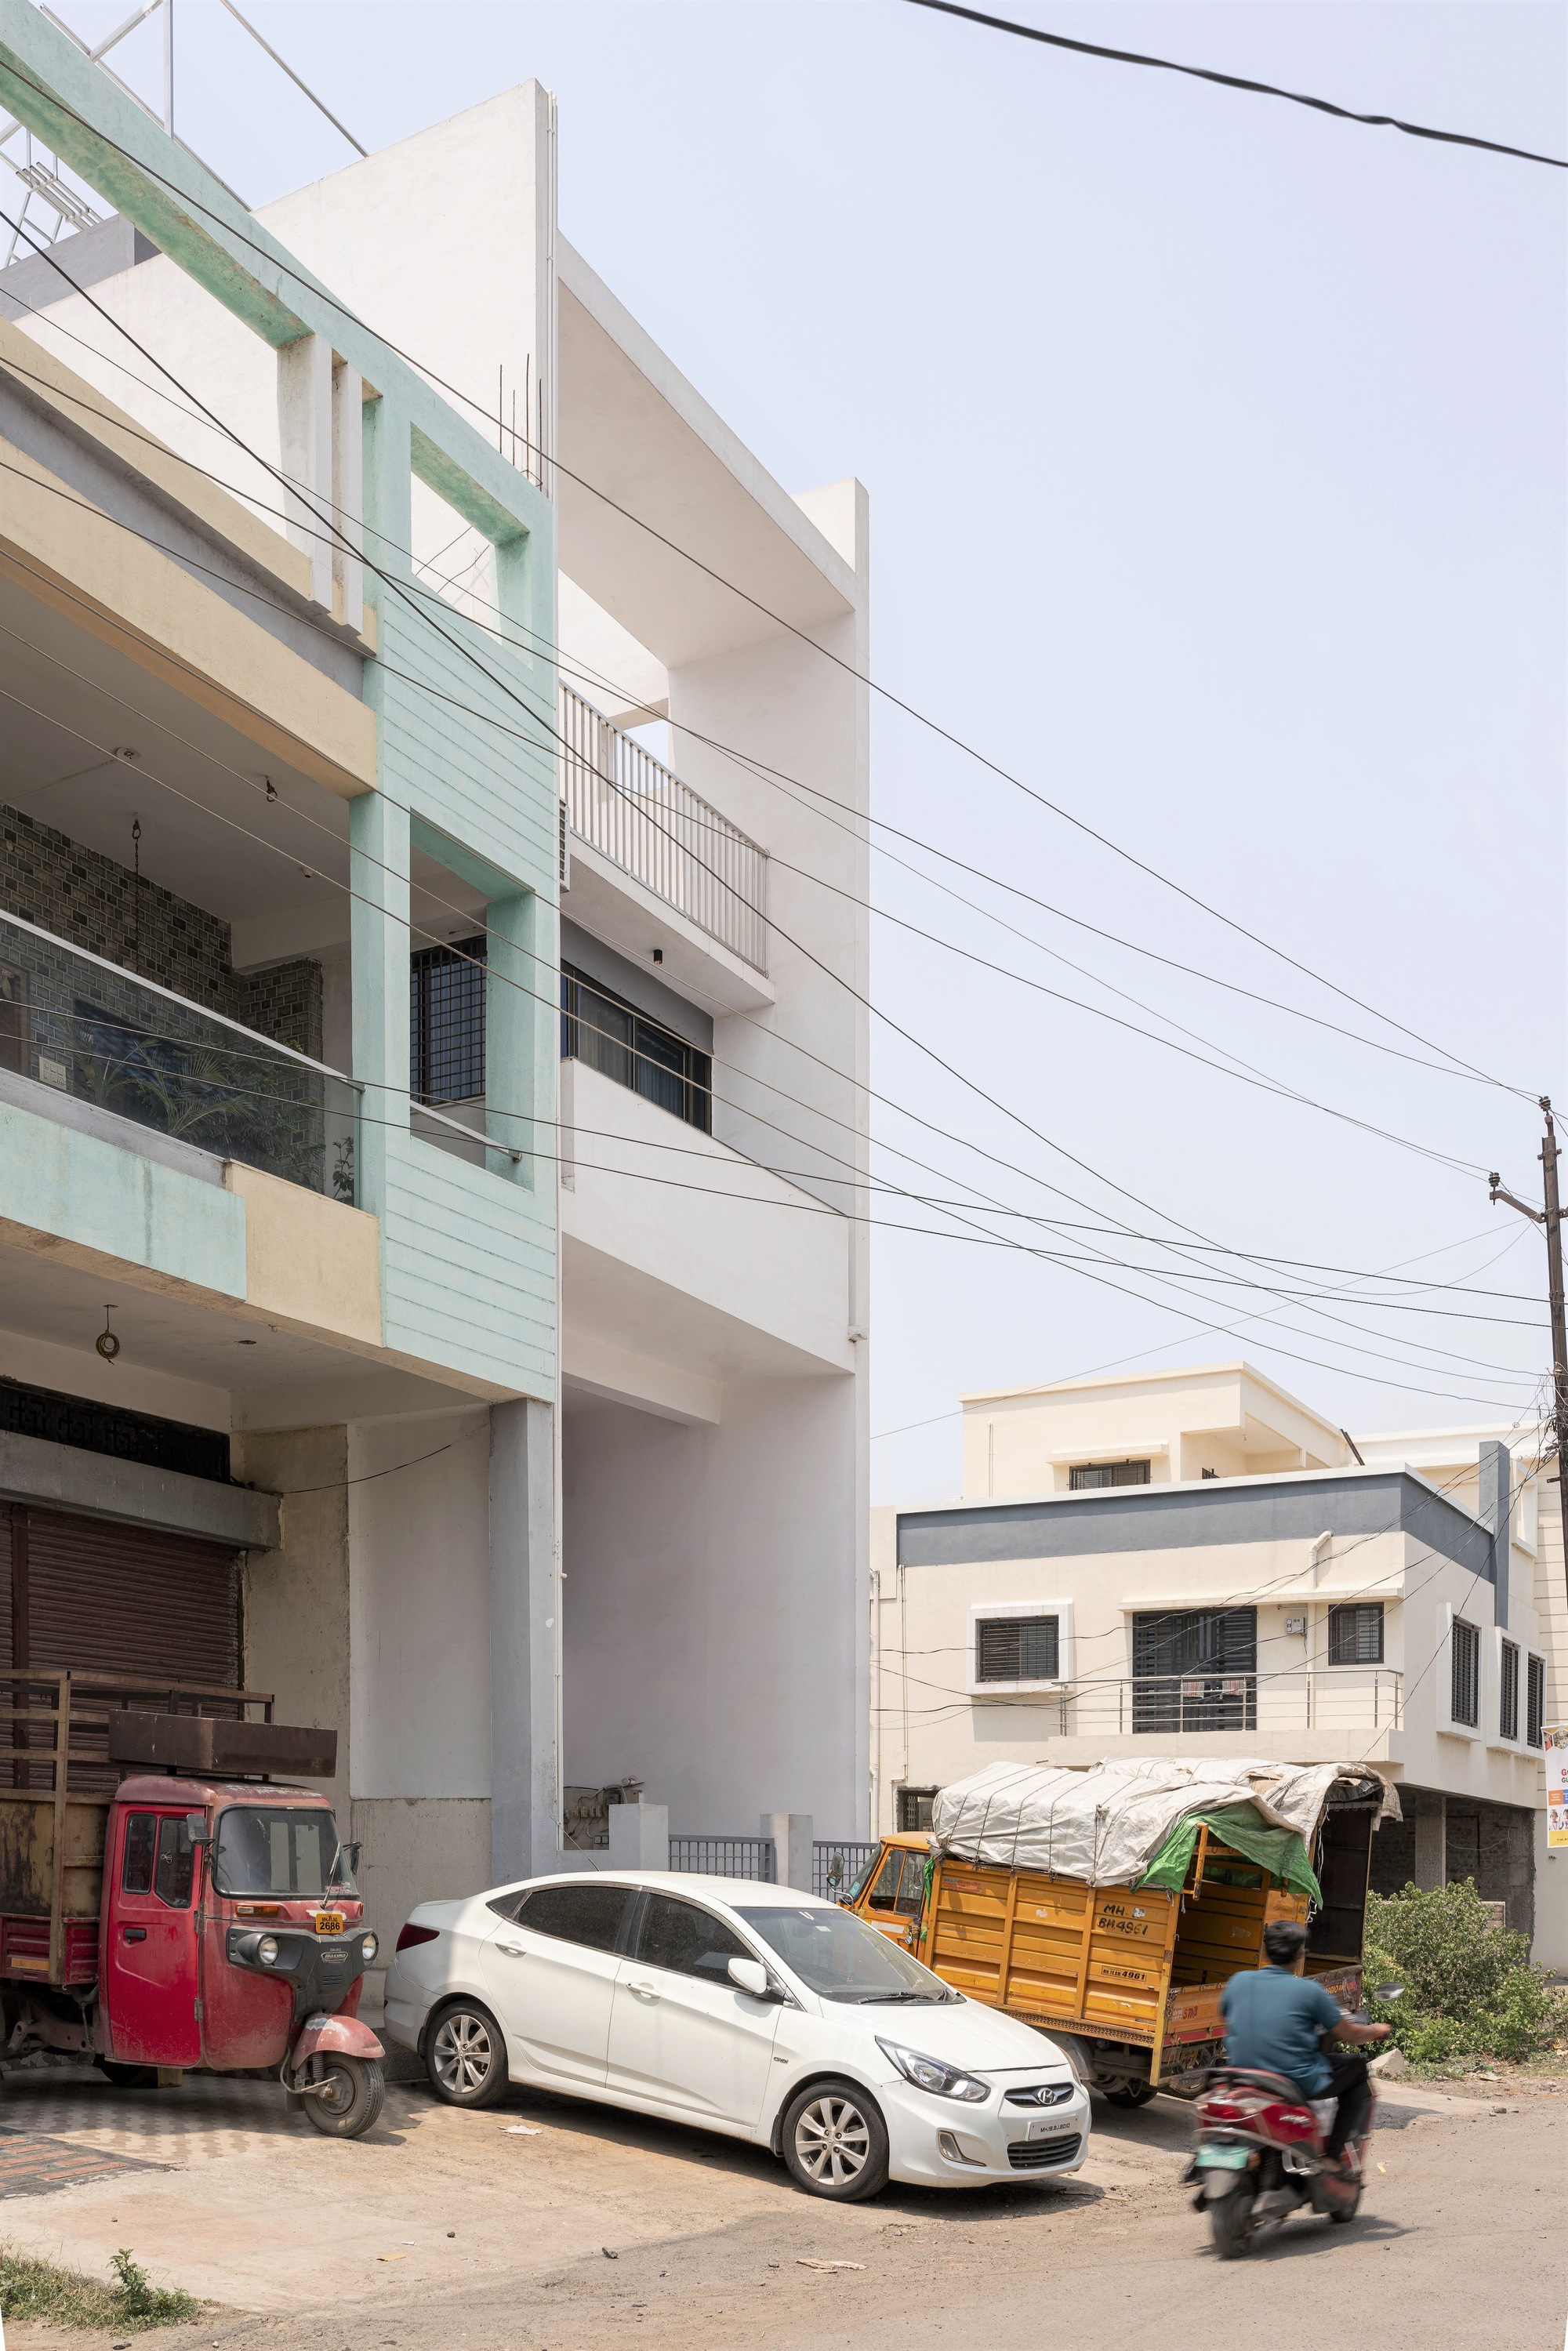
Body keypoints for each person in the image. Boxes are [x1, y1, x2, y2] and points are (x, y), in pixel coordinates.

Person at [1220, 1918, 1392, 2167]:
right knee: (1356, 2069)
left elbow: (1228, 2017)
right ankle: (1332, 2160)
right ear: (1300, 1953)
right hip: (1292, 2078)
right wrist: (1377, 2029)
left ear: (1266, 1948)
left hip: (1241, 2072)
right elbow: (1352, 2035)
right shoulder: (1309, 1991)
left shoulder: (1238, 1982)